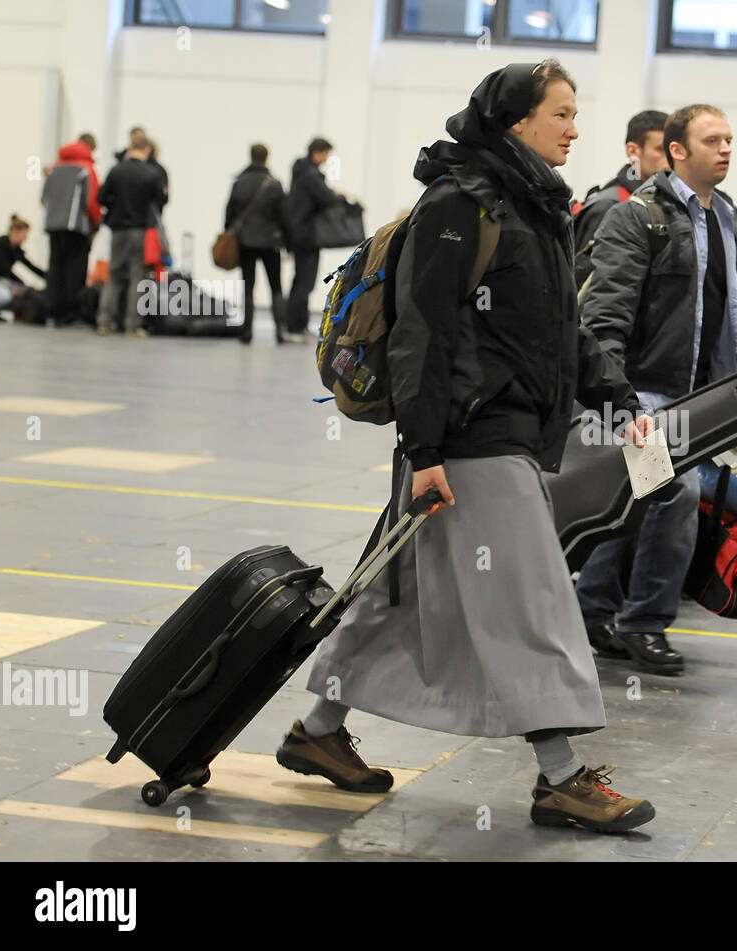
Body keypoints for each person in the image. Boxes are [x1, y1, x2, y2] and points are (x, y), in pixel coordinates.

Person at [276, 59, 660, 834]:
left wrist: (616, 396)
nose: (575, 128)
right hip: (470, 439)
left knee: (403, 598)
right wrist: (423, 453)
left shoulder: (532, 206)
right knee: (532, 600)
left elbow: (559, 329)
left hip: (498, 434)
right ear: (518, 122)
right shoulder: (459, 206)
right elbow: (423, 333)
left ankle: (317, 731)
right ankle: (561, 777)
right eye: (562, 114)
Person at [574, 104, 737, 674]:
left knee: (640, 499)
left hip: (703, 398)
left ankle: (591, 608)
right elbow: (605, 319)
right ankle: (645, 622)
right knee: (669, 493)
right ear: (677, 150)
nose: (725, 149)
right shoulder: (636, 218)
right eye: (711, 140)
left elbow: (732, 321)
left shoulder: (730, 222)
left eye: (729, 140)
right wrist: (617, 403)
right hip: (646, 394)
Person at [96, 129, 167, 337]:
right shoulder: (152, 174)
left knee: (114, 276)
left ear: (130, 147)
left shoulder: (116, 171)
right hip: (141, 231)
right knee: (138, 277)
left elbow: (101, 197)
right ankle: (132, 326)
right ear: (147, 149)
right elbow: (161, 202)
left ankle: (105, 322)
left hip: (118, 229)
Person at [572, 109, 669, 258]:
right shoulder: (608, 206)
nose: (670, 158)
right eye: (660, 149)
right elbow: (586, 276)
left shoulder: (663, 201)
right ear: (633, 150)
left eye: (673, 150)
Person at [224, 143, 287, 344]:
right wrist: (288, 243)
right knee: (276, 286)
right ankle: (280, 330)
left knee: (248, 286)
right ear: (266, 158)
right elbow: (284, 216)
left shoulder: (239, 182)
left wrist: (229, 233)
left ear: (250, 156)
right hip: (271, 243)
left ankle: (247, 331)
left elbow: (229, 213)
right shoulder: (275, 184)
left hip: (246, 242)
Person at [42, 133, 102, 326]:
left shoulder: (55, 168)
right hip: (76, 227)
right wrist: (97, 222)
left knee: (55, 268)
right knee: (75, 271)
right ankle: (71, 314)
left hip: (53, 225)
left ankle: (53, 311)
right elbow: (92, 202)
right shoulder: (86, 169)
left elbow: (44, 199)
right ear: (90, 148)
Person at [283, 137, 339, 341]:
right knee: (304, 283)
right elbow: (326, 197)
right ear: (318, 152)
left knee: (302, 281)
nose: (327, 159)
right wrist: (338, 194)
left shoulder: (301, 172)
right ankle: (294, 327)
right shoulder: (310, 174)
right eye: (326, 154)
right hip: (307, 235)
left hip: (299, 234)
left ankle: (299, 324)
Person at [0, 215, 46, 321]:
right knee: (11, 294)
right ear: (15, 231)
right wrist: (27, 287)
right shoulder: (0, 246)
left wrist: (51, 277)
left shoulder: (16, 250)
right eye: (25, 234)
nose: (26, 238)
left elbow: (31, 266)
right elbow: (6, 272)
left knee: (22, 291)